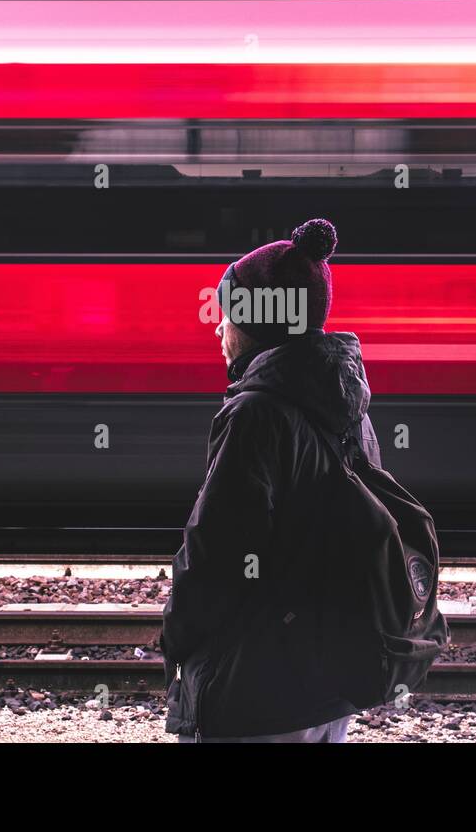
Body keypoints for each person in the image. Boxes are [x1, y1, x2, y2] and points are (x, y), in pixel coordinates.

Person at [161, 218, 382, 743]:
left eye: (229, 315)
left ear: (261, 324)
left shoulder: (256, 415)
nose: (219, 328)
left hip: (262, 693)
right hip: (328, 689)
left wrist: (176, 640)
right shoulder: (348, 405)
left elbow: (215, 553)